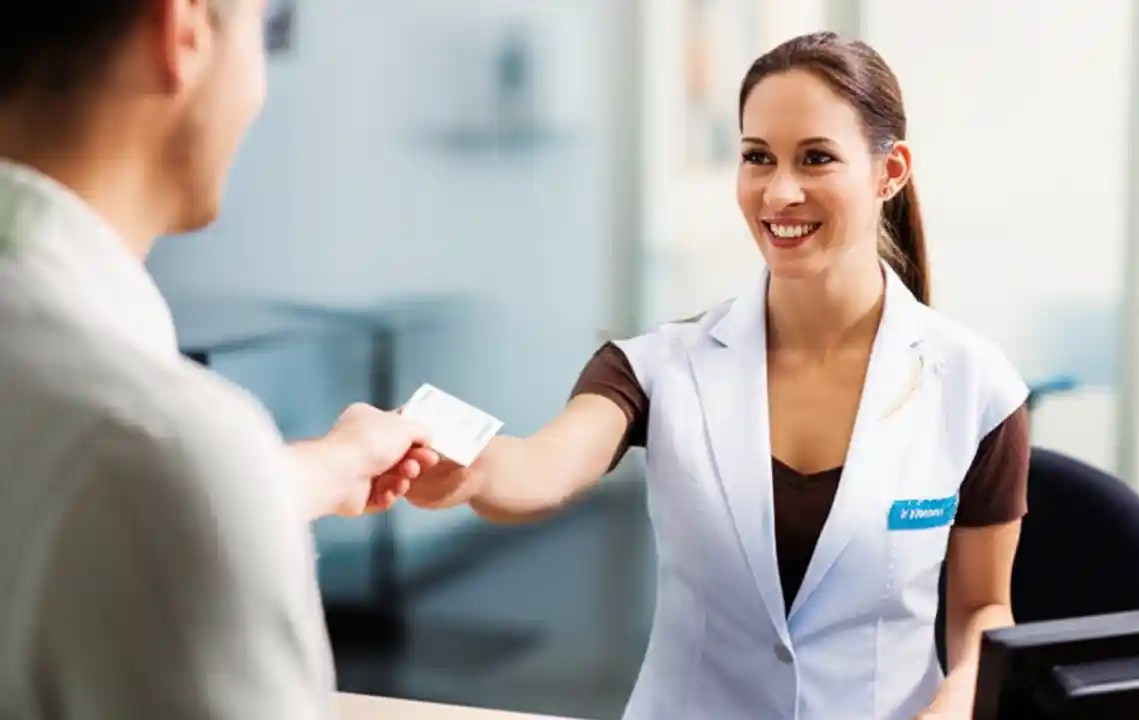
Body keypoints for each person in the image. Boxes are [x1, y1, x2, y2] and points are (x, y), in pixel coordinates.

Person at [407, 32, 1030, 720]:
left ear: (891, 171)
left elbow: (980, 608)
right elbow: (539, 468)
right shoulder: (654, 368)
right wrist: (470, 470)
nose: (779, 191)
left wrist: (952, 709)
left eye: (816, 158)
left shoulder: (977, 387)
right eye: (756, 158)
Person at [0, 2, 437, 717]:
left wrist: (320, 467)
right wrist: (221, 480)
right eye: (262, 32)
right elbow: (141, 488)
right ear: (185, 31)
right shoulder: (148, 450)